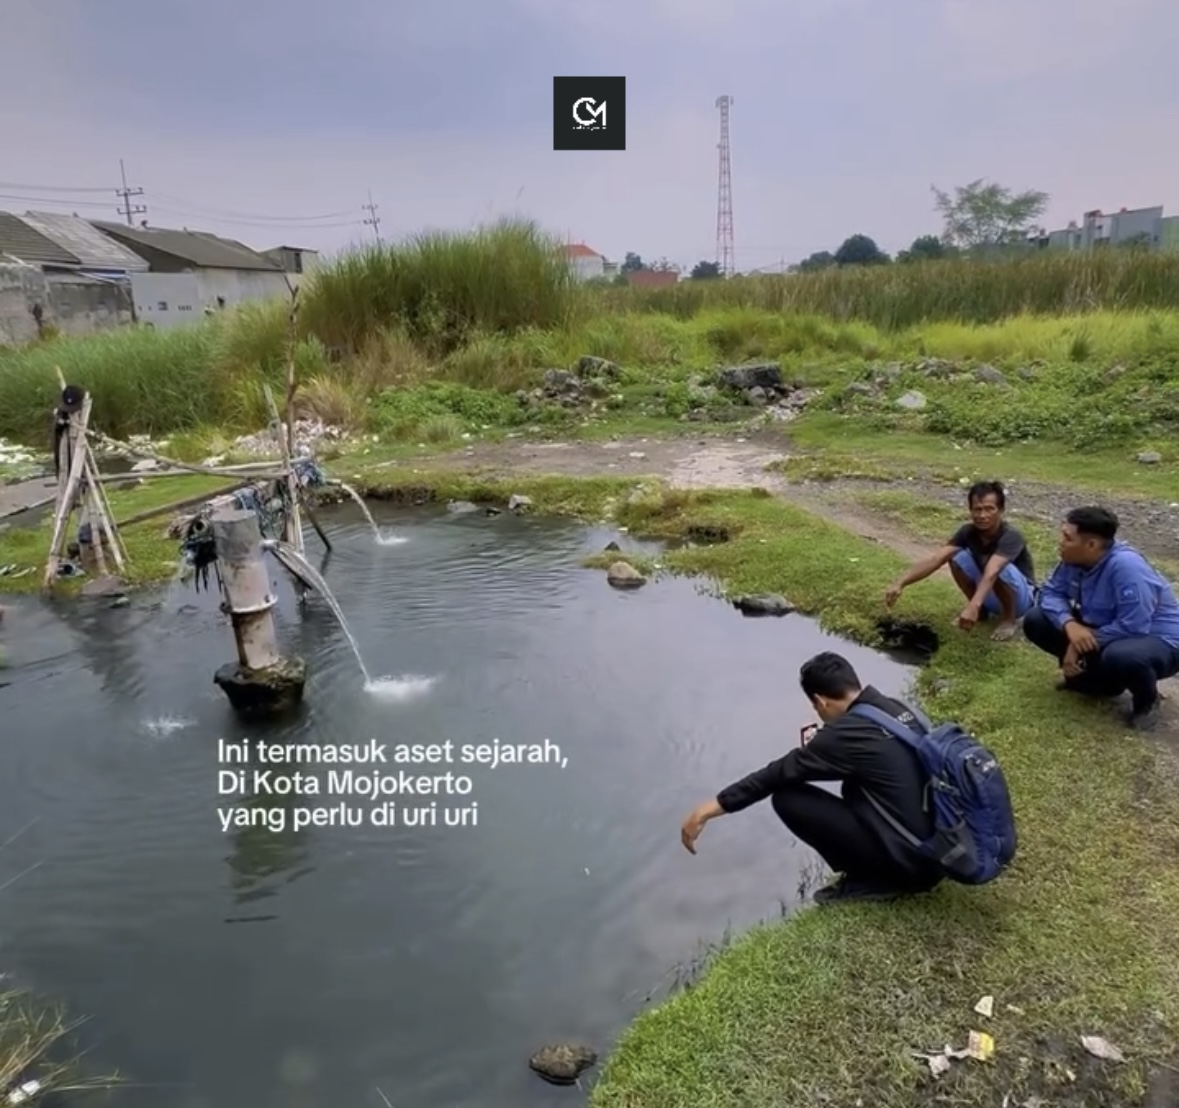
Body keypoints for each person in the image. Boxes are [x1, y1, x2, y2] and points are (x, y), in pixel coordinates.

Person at [679, 652, 943, 905]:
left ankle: (877, 880)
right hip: (940, 851)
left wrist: (707, 810)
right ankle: (889, 867)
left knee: (788, 797)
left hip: (913, 867)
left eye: (815, 706)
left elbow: (775, 774)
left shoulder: (843, 735)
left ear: (821, 701)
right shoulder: (895, 708)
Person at [1023, 506, 1179, 731]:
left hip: (1157, 639)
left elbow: (1134, 625)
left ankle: (1147, 701)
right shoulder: (1072, 559)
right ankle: (1094, 683)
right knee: (1036, 620)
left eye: (1067, 537)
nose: (1061, 541)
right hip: (1110, 630)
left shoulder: (1126, 567)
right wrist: (1070, 624)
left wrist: (1076, 646)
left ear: (1092, 545)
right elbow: (1050, 593)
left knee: (1122, 656)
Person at [884, 480, 1036, 642]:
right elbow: (937, 558)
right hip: (991, 592)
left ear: (1001, 510)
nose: (982, 515)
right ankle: (982, 613)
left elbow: (992, 572)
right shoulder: (968, 531)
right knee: (956, 557)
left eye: (989, 509)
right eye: (977, 509)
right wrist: (900, 583)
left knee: (999, 568)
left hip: (1021, 600)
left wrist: (972, 606)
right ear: (970, 510)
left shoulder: (1011, 535)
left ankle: (1008, 619)